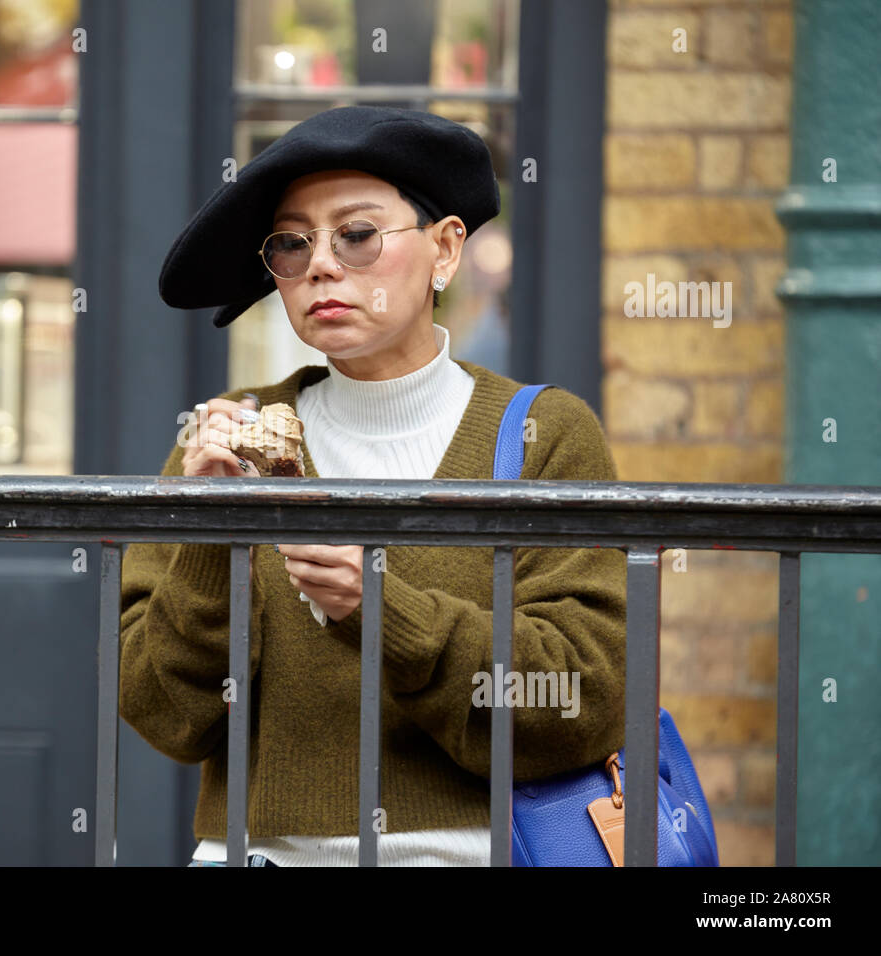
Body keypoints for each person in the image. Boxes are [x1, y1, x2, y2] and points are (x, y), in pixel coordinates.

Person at [119, 106, 627, 866]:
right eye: (291, 244)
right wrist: (208, 533)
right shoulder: (226, 439)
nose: (321, 264)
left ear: (446, 249)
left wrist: (381, 609)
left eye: (356, 234)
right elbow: (166, 716)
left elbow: (581, 702)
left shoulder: (540, 435)